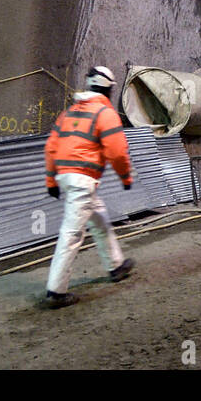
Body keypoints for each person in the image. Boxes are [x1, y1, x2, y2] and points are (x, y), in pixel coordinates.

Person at [42, 65, 135, 308]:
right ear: (109, 90)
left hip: (69, 177)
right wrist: (125, 177)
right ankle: (56, 291)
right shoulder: (105, 113)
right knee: (71, 235)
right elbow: (116, 152)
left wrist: (51, 180)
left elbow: (51, 147)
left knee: (100, 220)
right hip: (83, 180)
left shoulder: (69, 113)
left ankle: (116, 266)